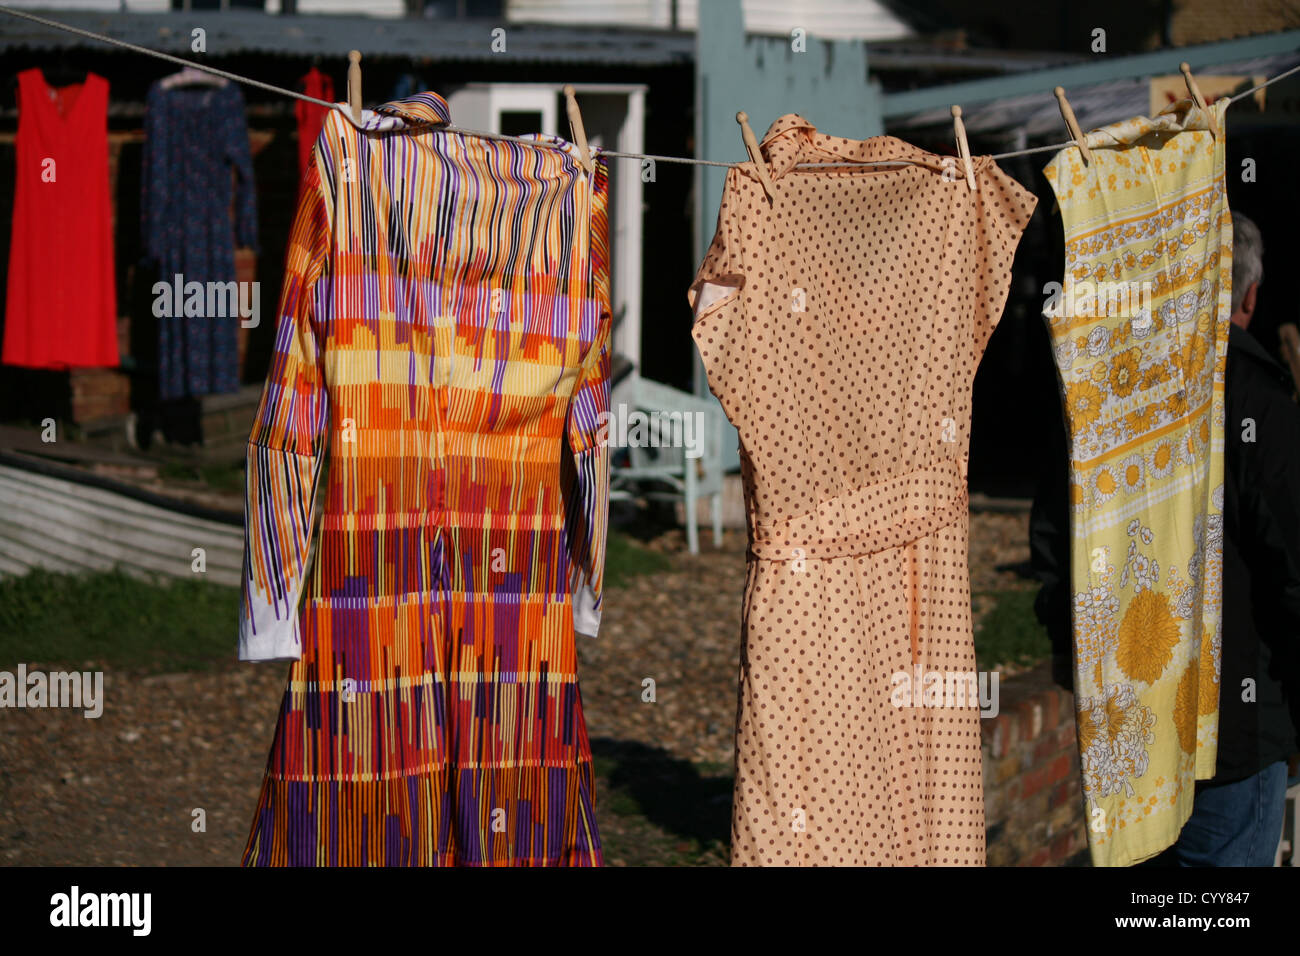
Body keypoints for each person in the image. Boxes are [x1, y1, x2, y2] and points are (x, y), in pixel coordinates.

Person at [1031, 212, 1300, 866]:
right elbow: (1292, 568)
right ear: (1250, 295)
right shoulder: (1257, 396)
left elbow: (1052, 541)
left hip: (1126, 729)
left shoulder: (1101, 381)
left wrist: (1076, 660)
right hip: (1235, 736)